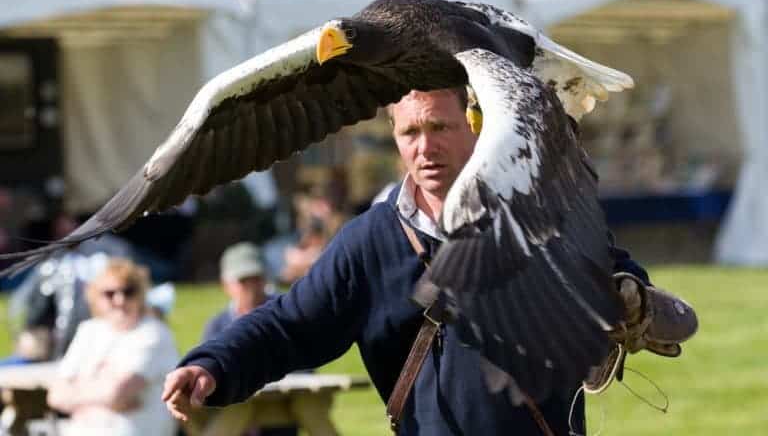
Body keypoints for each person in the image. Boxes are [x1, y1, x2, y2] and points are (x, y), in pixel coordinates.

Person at [164, 88, 690, 435]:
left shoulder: (537, 216)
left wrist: (627, 299)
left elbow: (640, 299)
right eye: (410, 133)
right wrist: (213, 364)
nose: (425, 147)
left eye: (440, 127)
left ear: (475, 126)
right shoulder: (372, 241)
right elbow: (289, 325)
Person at [48, 258, 179, 436]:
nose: (120, 300)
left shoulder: (153, 333)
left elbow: (117, 393)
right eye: (110, 293)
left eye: (128, 291)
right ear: (96, 296)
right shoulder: (89, 331)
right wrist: (105, 396)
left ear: (140, 294)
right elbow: (55, 395)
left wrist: (79, 394)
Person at [201, 242, 297, 436]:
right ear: (225, 285)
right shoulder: (217, 325)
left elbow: (306, 367)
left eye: (257, 278)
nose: (252, 287)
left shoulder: (286, 314)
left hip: (282, 410)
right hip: (232, 411)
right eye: (244, 280)